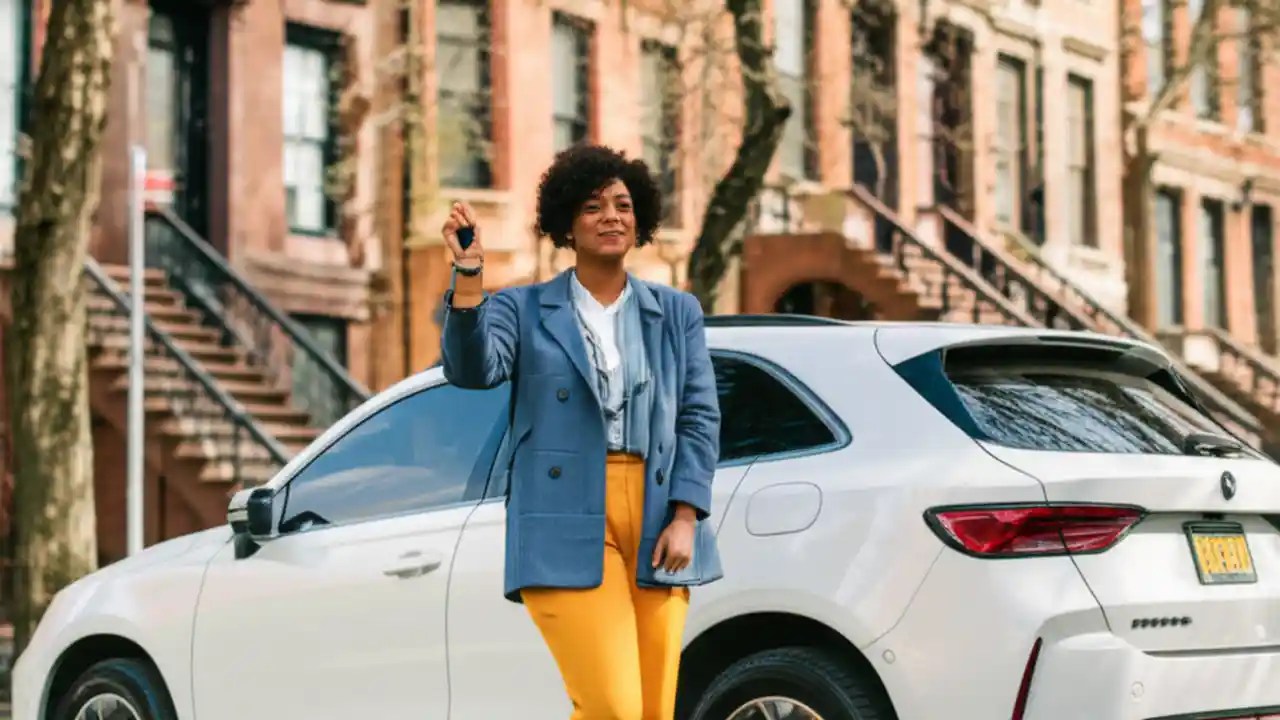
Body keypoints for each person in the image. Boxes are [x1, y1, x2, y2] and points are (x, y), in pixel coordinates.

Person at [439, 143, 723, 720]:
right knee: (613, 707)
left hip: (657, 509)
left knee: (651, 712)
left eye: (622, 205)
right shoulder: (523, 308)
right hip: (561, 513)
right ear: (567, 222)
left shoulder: (677, 312)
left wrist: (687, 515)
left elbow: (699, 416)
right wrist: (470, 277)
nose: (611, 217)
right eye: (593, 207)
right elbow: (473, 371)